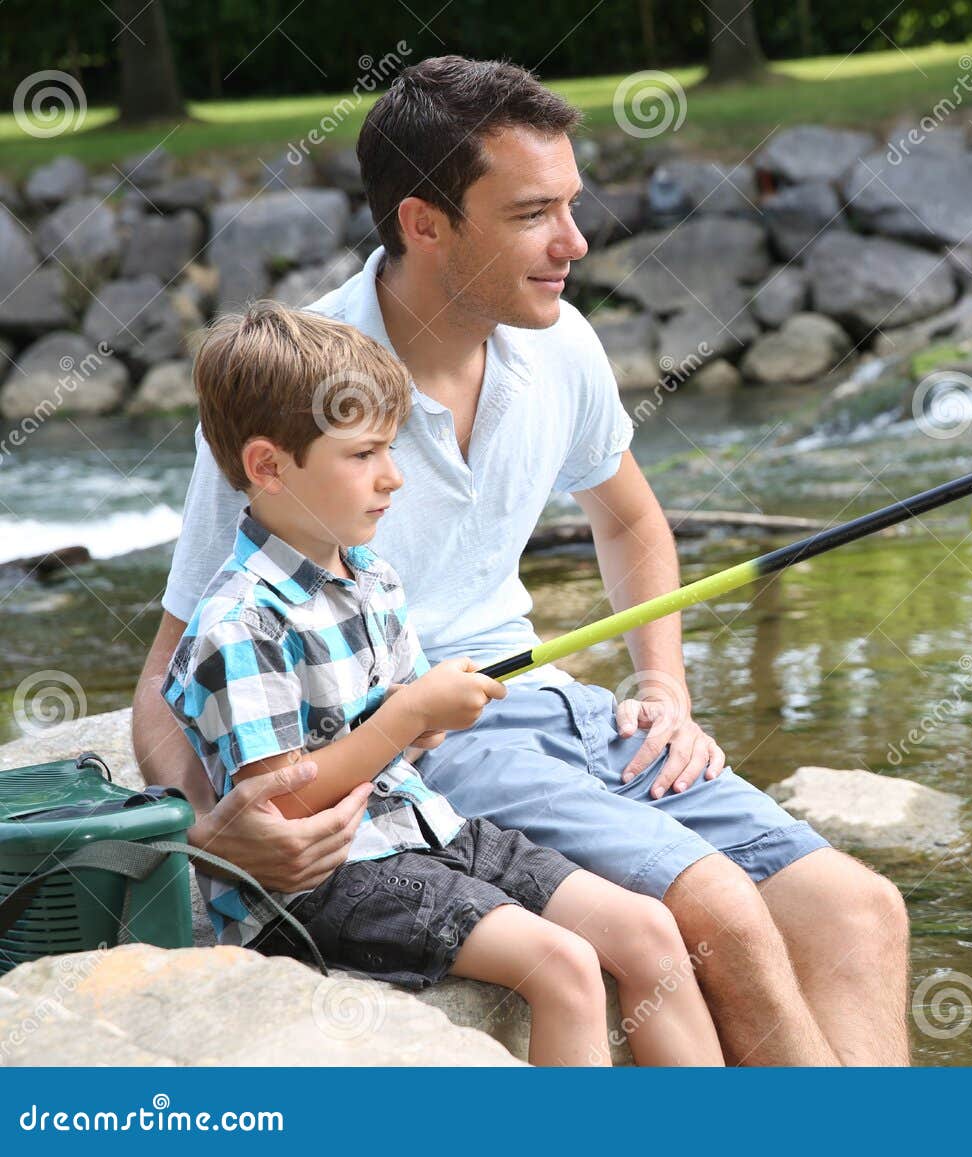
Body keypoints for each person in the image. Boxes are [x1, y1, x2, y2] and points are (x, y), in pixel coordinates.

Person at [133, 54, 908, 1066]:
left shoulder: (560, 344)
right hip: (432, 744)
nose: (575, 243)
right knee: (721, 904)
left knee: (861, 906)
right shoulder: (294, 389)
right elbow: (167, 670)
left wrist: (662, 684)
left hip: (552, 703)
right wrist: (208, 825)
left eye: (572, 206)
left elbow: (630, 521)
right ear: (425, 222)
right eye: (532, 213)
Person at [161, 303, 724, 1067]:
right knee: (565, 966)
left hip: (427, 827)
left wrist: (433, 712)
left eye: (390, 449)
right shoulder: (237, 624)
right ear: (267, 466)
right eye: (363, 455)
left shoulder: (373, 578)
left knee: (651, 930)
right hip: (327, 881)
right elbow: (283, 804)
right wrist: (409, 717)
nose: (392, 476)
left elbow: (405, 730)